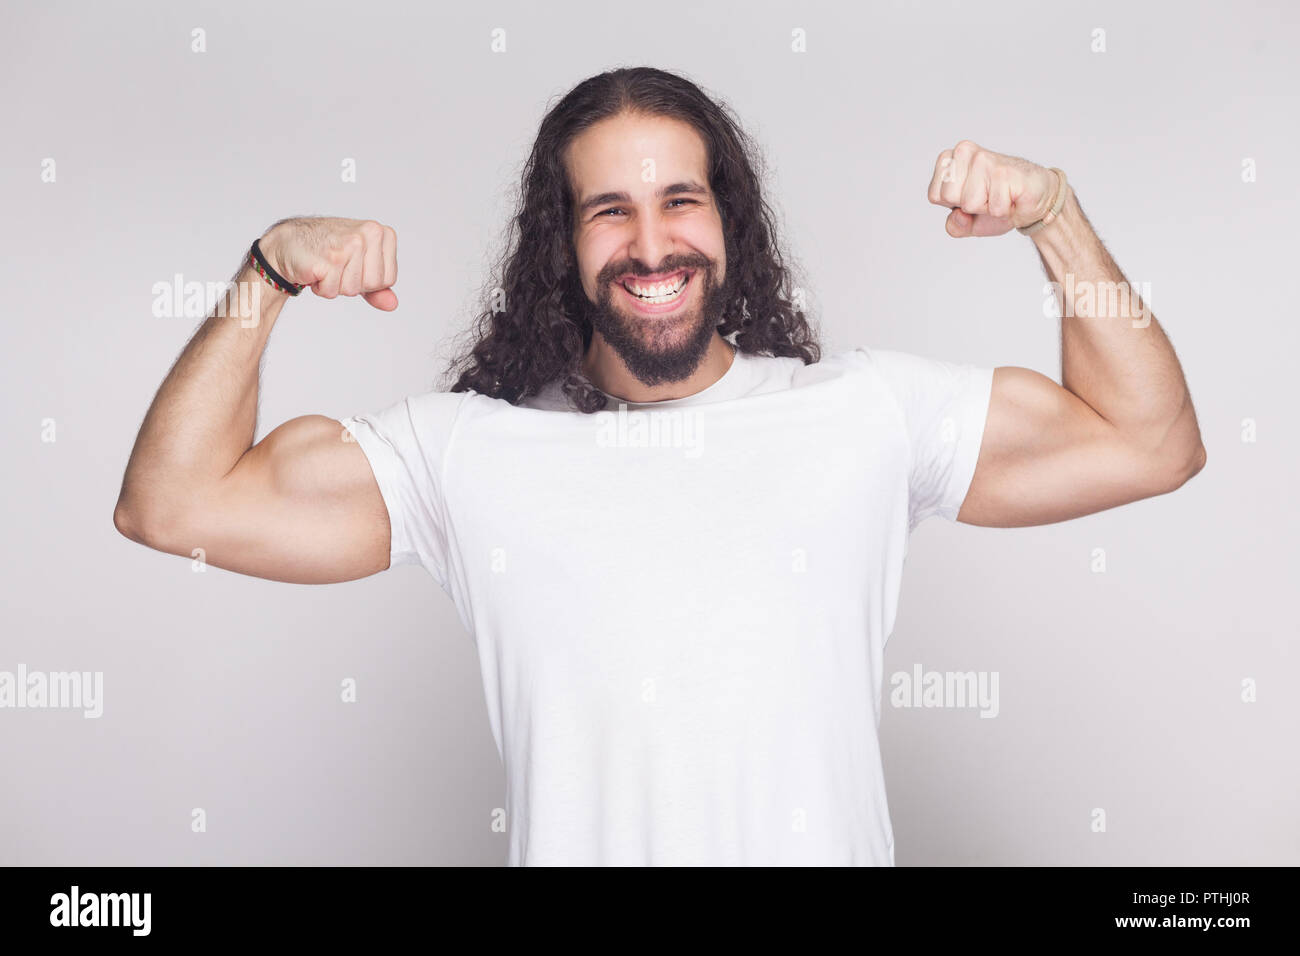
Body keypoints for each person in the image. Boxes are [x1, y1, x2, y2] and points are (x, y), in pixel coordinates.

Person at [113, 67, 1206, 866]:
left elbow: (1149, 441)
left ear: (727, 218)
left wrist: (1053, 216)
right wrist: (265, 276)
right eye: (609, 210)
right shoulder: (469, 453)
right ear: (562, 242)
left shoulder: (865, 411)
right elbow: (175, 503)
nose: (650, 244)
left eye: (680, 199)